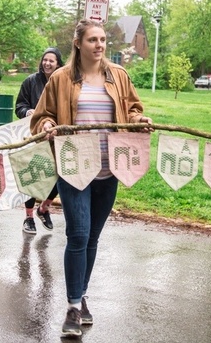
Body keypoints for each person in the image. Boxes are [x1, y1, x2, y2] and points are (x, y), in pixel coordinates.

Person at [30, 20, 153, 337]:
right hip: (73, 167)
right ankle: (72, 307)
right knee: (79, 234)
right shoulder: (61, 79)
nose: (99, 45)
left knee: (93, 238)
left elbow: (133, 108)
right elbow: (41, 115)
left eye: (102, 40)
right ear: (78, 43)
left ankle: (81, 296)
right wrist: (46, 126)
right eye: (93, 40)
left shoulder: (118, 76)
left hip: (109, 168)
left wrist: (140, 120)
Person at [15, 47, 64, 234]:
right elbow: (20, 105)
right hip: (34, 135)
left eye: (51, 61)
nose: (47, 63)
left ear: (58, 63)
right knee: (33, 175)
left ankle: (44, 208)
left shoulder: (62, 82)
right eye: (45, 60)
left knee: (60, 175)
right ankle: (28, 218)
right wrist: (28, 112)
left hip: (56, 136)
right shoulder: (30, 82)